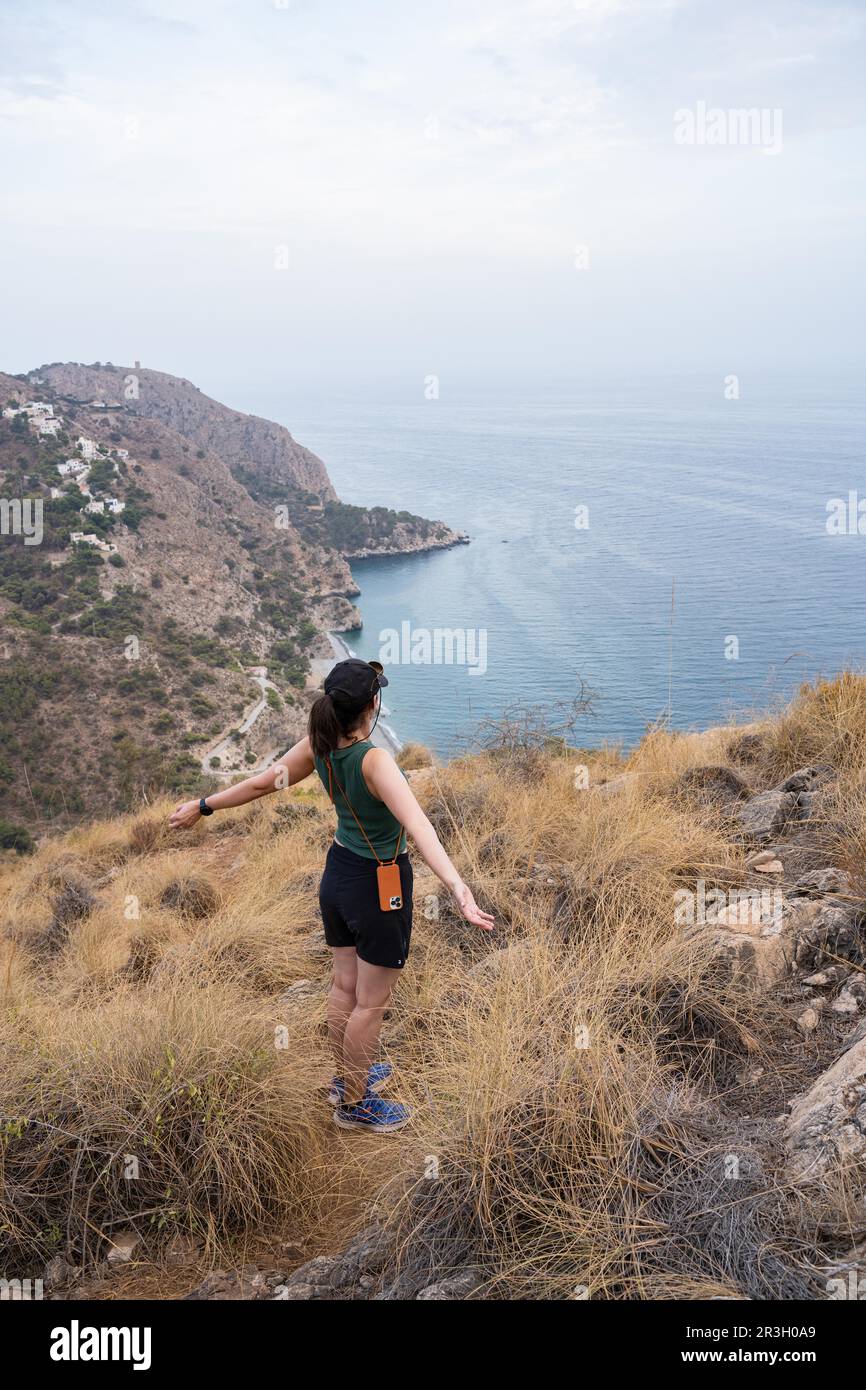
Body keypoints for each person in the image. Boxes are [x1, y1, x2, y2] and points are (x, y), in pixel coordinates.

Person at [169, 657, 494, 1133]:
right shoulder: (375, 760)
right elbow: (419, 827)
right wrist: (458, 887)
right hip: (379, 887)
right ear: (372, 705)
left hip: (337, 875)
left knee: (344, 987)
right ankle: (355, 1106)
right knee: (371, 1002)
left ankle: (344, 1080)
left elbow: (263, 783)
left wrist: (203, 806)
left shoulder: (317, 745)